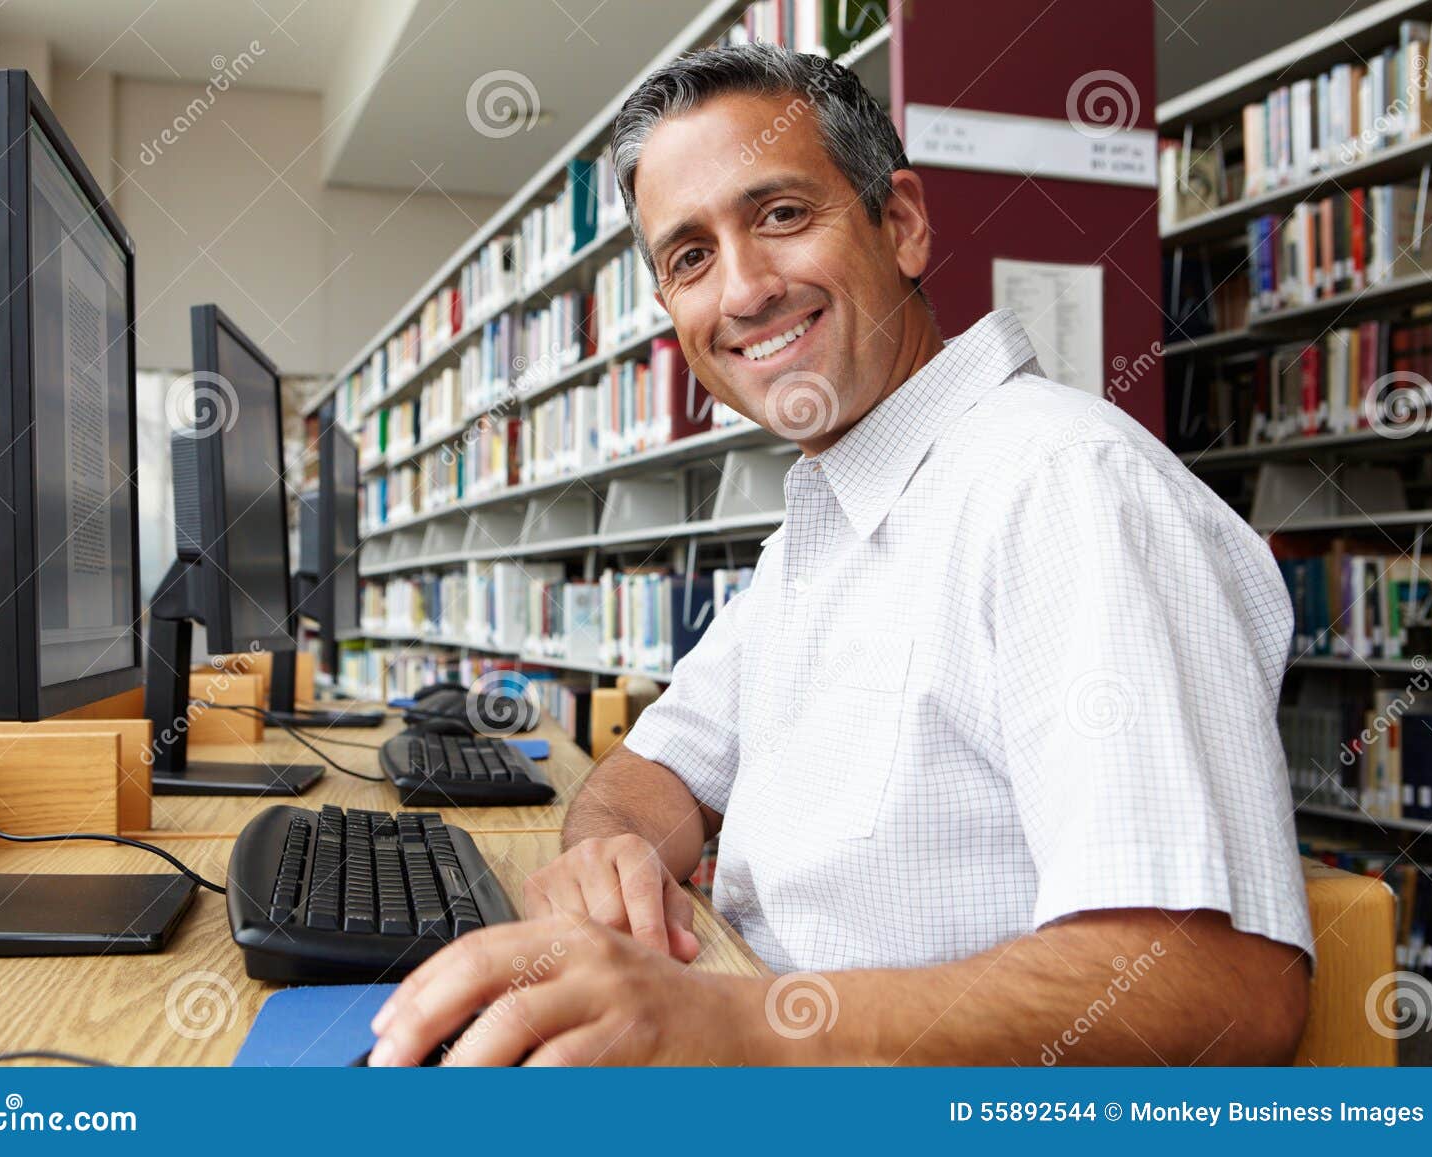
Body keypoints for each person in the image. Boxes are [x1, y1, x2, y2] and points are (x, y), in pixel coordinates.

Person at [368, 42, 1312, 1067]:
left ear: (899, 223)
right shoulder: (824, 524)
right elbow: (650, 772)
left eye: (779, 215)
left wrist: (738, 1026)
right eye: (689, 257)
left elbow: (1219, 987)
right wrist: (610, 856)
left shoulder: (1063, 486)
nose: (742, 291)